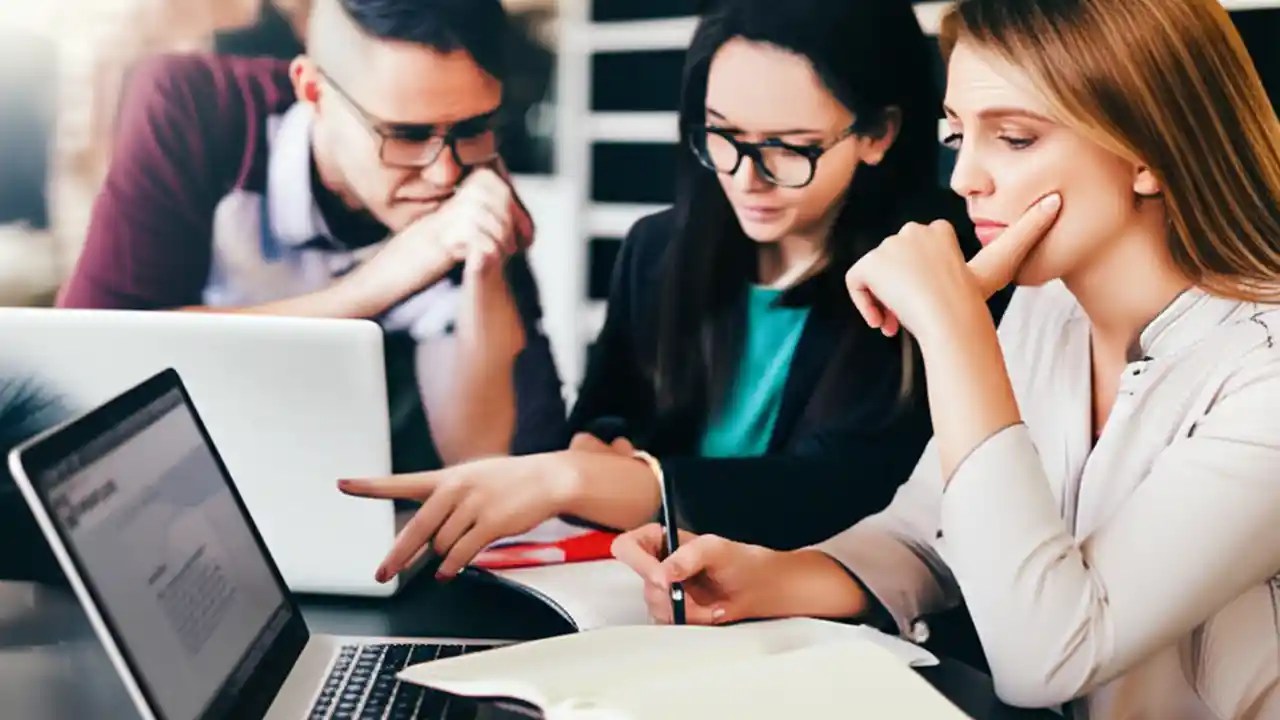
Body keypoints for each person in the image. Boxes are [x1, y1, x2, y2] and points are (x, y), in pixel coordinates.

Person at [611, 0, 1280, 717]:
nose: (965, 180)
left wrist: (956, 332)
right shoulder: (1048, 306)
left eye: (1015, 138)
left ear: (1150, 151)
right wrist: (777, 578)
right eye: (958, 135)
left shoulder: (1261, 374)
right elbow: (925, 536)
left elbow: (1047, 658)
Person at [340, 0, 1010, 582]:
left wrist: (605, 480)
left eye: (790, 148)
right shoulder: (658, 249)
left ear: (877, 134)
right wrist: (592, 453)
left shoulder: (936, 268)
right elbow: (604, 417)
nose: (747, 177)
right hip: (655, 592)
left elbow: (847, 489)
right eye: (722, 135)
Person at [57, 0, 566, 473]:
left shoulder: (473, 177)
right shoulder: (195, 106)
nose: (443, 174)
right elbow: (91, 361)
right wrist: (375, 287)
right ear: (313, 91)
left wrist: (487, 269)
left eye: (476, 126)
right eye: (406, 136)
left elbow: (481, 459)